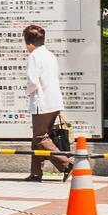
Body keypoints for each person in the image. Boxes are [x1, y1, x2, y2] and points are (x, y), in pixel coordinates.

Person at [23, 23, 72, 182]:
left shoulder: (34, 56)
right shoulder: (50, 55)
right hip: (53, 101)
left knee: (40, 138)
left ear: (29, 43)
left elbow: (32, 81)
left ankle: (66, 164)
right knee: (37, 139)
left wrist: (27, 92)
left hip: (41, 103)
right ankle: (36, 172)